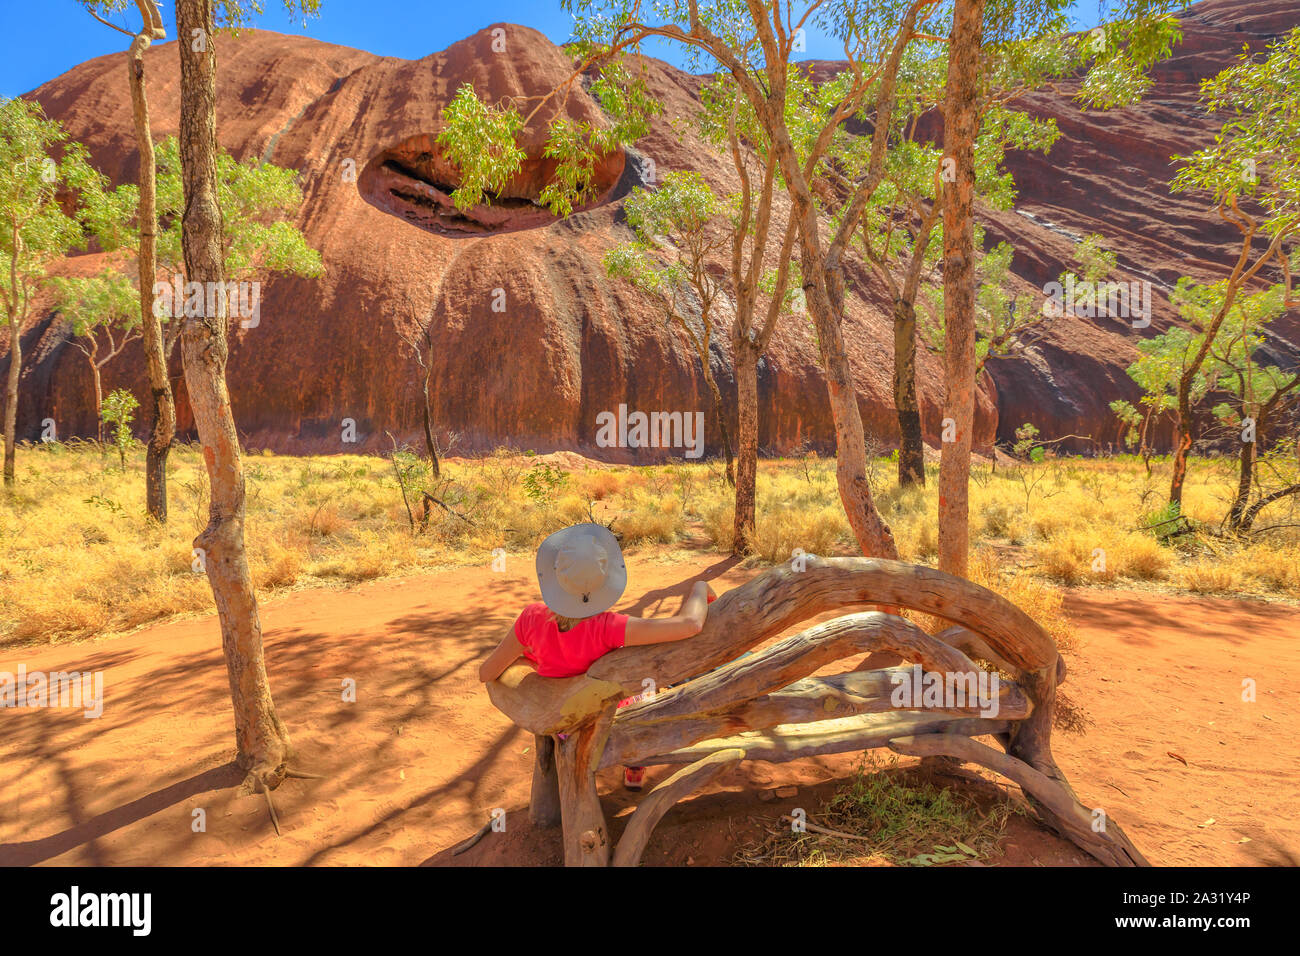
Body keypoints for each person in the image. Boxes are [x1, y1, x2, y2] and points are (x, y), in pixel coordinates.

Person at [478, 522, 714, 790]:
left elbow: (486, 673)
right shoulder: (608, 627)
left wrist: (526, 659)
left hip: (564, 725)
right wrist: (700, 588)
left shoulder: (531, 618)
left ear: (556, 576)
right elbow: (690, 625)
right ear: (603, 579)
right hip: (607, 721)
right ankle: (635, 764)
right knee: (647, 686)